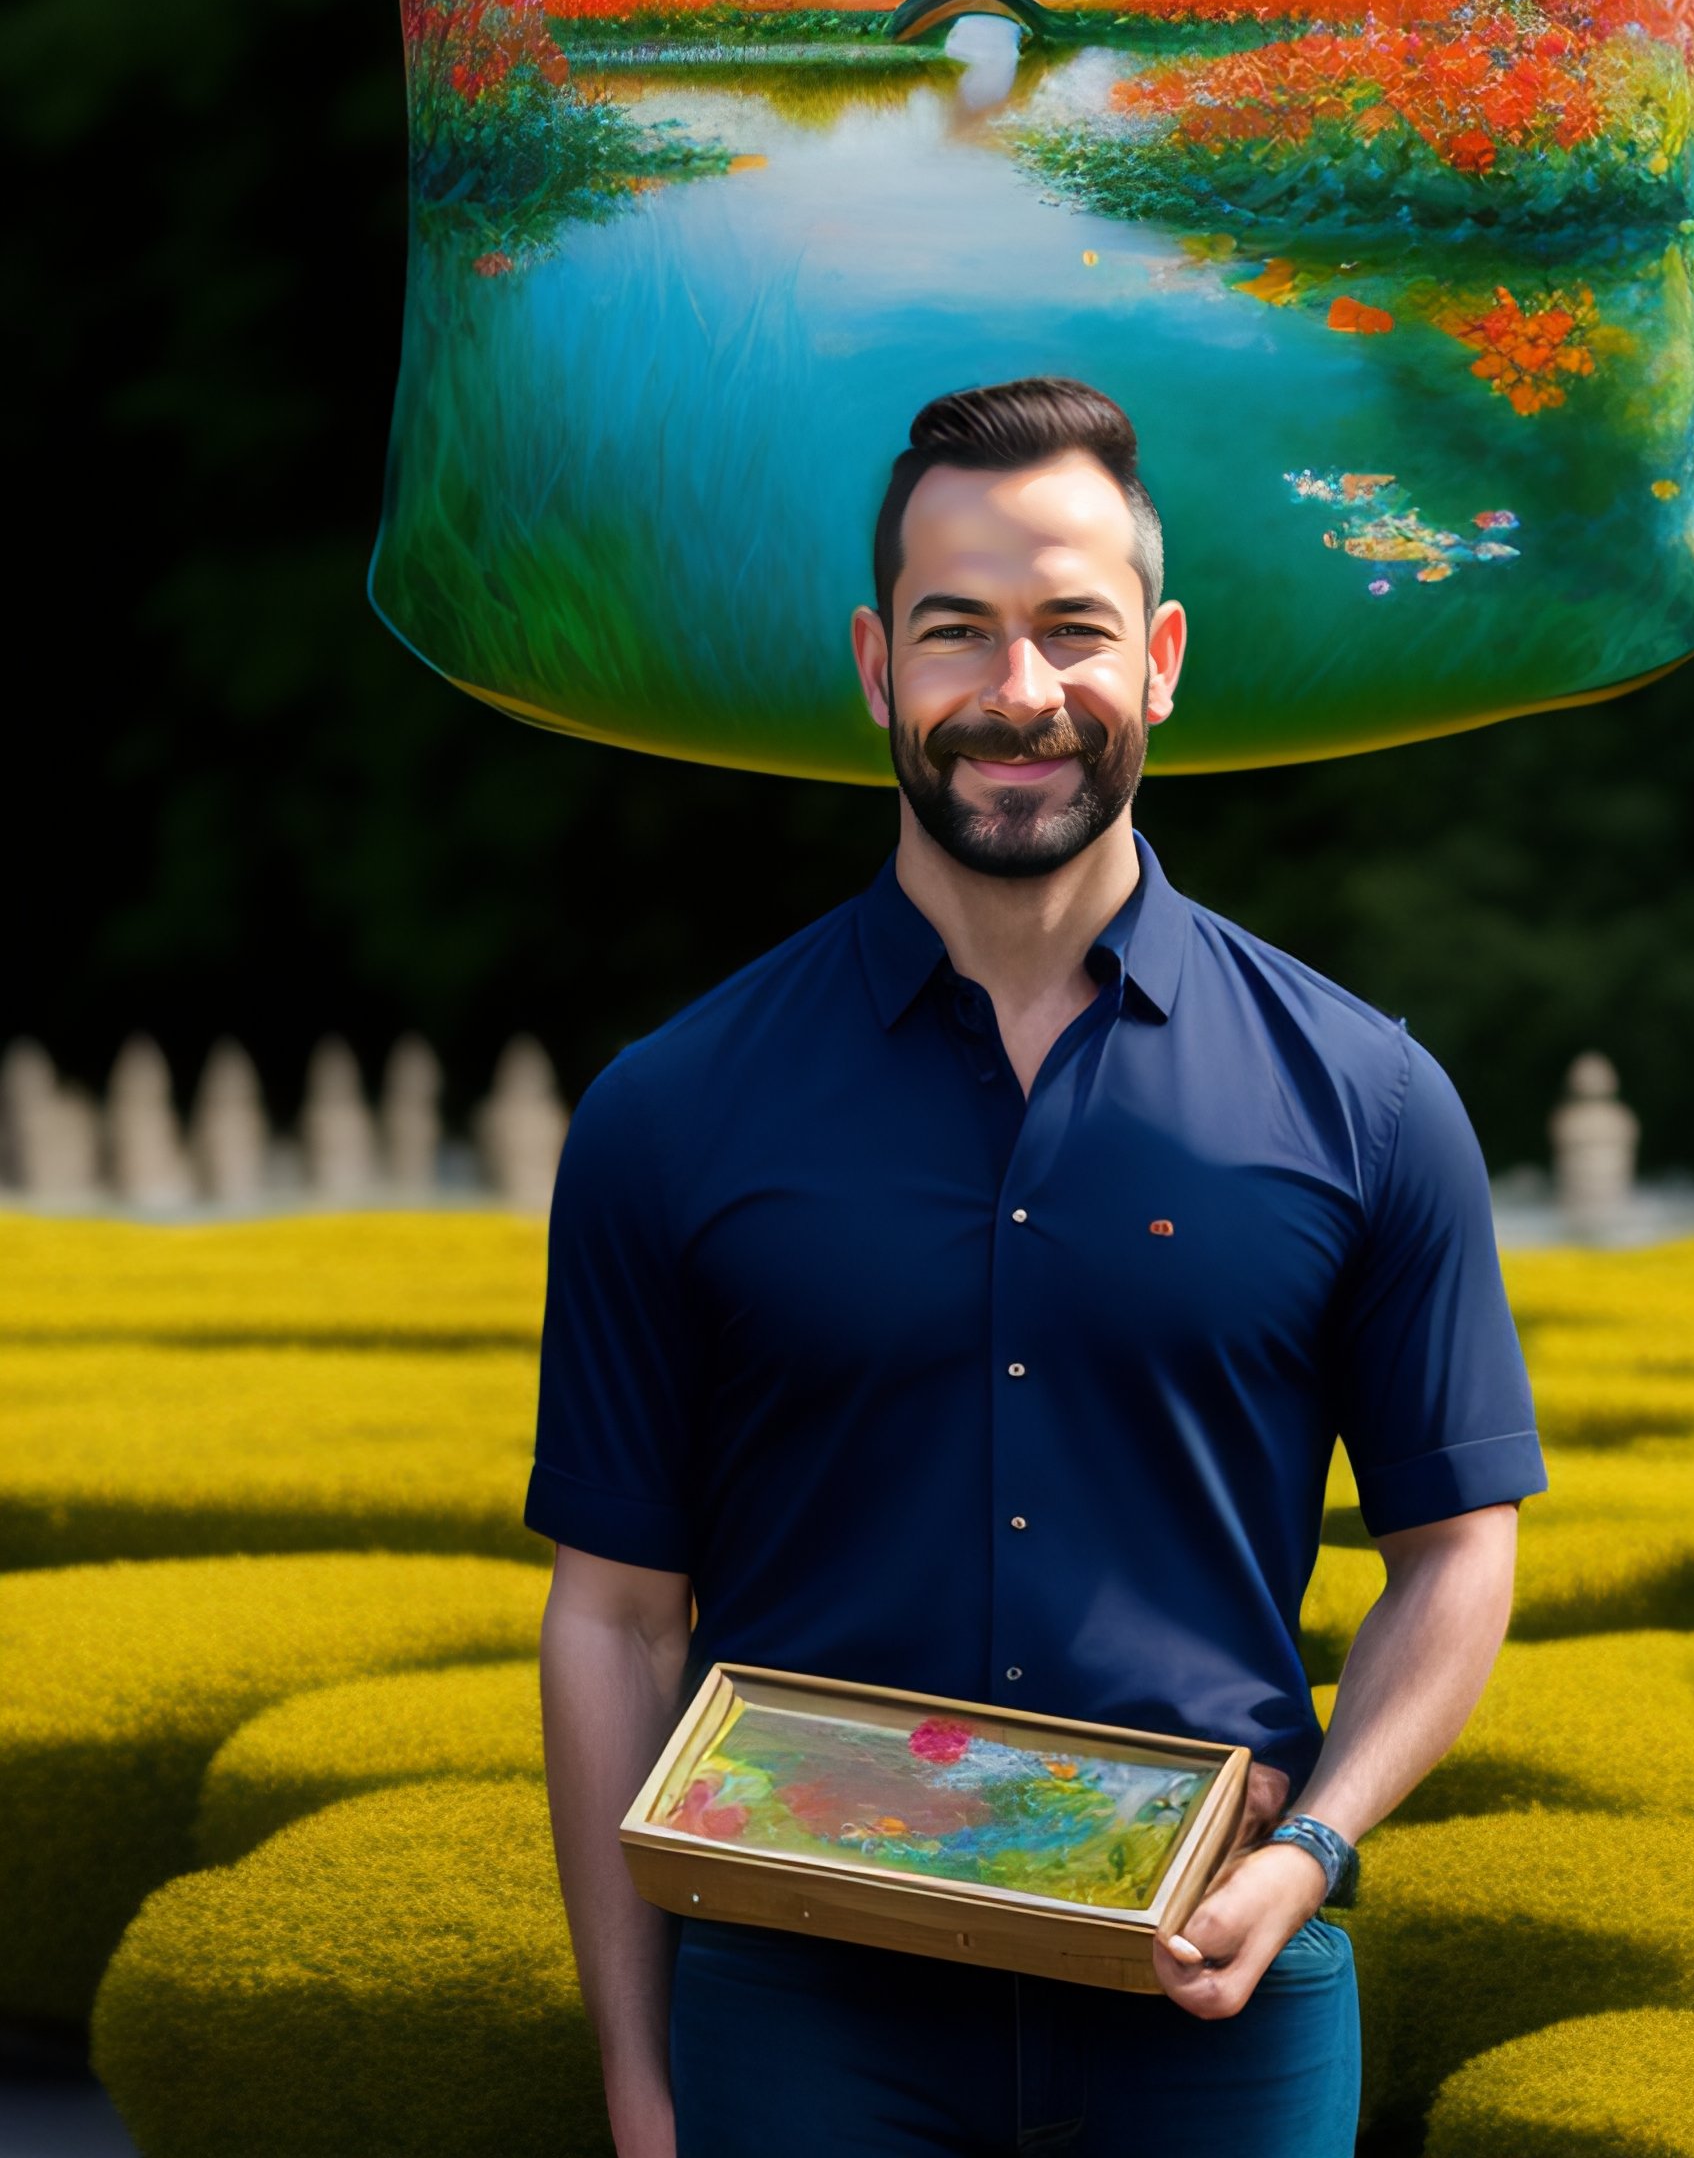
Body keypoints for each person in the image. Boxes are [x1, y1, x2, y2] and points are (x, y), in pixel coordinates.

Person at [531, 376, 1546, 2158]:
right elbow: (614, 1615)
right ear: (874, 667)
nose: (1019, 694)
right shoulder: (668, 1110)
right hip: (794, 2007)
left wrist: (1312, 1850)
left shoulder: (1370, 1098)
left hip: (1216, 1992)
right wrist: (637, 2075)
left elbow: (1457, 1553)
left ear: (1158, 659)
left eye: (1072, 629)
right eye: (957, 633)